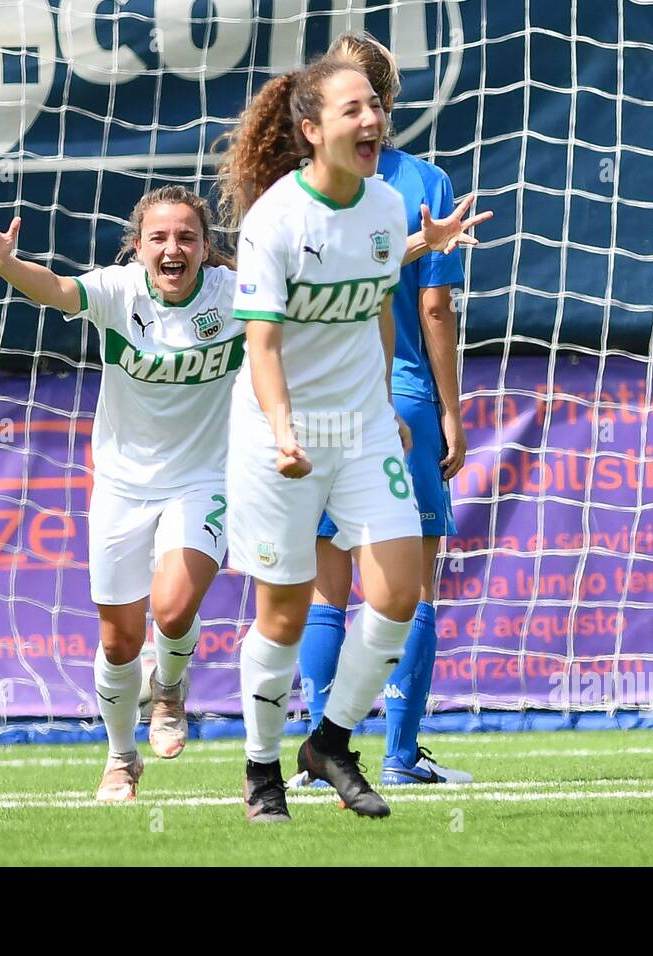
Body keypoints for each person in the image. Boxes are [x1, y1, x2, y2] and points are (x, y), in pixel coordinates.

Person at [216, 55, 485, 822]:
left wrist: (419, 251)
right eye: (352, 111)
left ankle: (330, 741)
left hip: (365, 428)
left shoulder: (382, 207)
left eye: (375, 106)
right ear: (311, 130)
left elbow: (374, 299)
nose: (372, 121)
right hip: (282, 435)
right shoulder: (274, 220)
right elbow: (261, 347)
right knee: (284, 614)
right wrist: (283, 431)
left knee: (399, 593)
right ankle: (262, 768)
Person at [0, 186, 241, 802]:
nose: (174, 248)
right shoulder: (118, 291)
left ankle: (169, 689)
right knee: (118, 640)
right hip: (121, 484)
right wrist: (5, 262)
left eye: (187, 237)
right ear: (138, 248)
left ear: (206, 248)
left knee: (172, 608)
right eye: (159, 238)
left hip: (204, 478)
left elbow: (327, 291)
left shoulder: (235, 295)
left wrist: (409, 250)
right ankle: (119, 758)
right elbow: (57, 289)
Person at [290, 32, 485, 789]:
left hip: (321, 402)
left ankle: (315, 755)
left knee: (324, 588)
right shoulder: (424, 182)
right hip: (397, 398)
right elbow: (433, 307)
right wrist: (452, 411)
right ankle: (400, 756)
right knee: (408, 586)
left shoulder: (301, 185)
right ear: (387, 100)